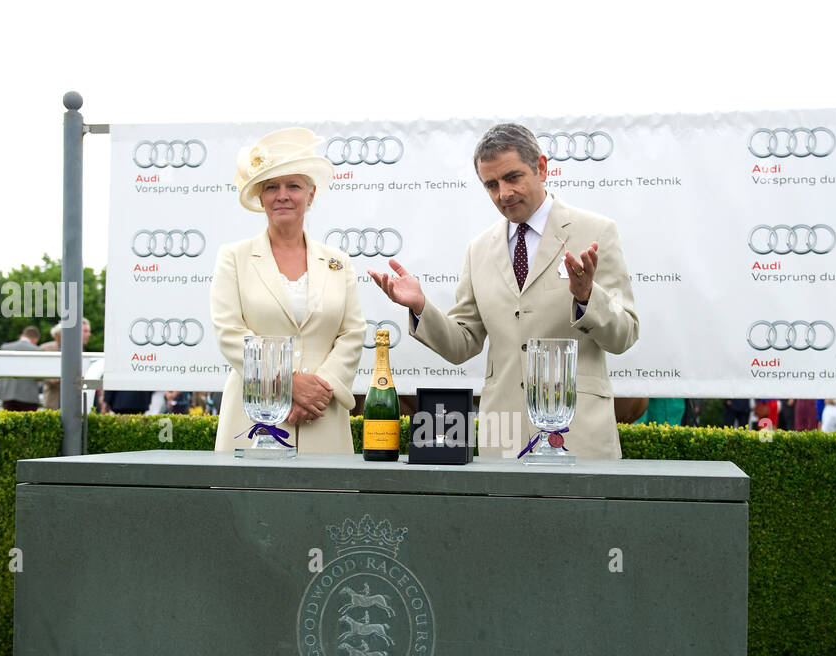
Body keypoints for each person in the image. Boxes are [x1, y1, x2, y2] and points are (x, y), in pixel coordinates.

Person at [369, 123, 639, 458]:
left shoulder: (596, 231)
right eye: (491, 184)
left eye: (513, 177)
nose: (504, 193)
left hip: (579, 433)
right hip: (503, 434)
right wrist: (421, 306)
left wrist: (587, 298)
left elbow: (624, 335)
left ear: (541, 168)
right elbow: (462, 344)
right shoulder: (479, 249)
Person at [210, 128, 364, 454]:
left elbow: (352, 333)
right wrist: (290, 386)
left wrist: (319, 391)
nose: (283, 195)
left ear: (310, 194)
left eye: (293, 185)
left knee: (325, 504)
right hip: (253, 419)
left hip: (321, 414)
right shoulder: (233, 258)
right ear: (260, 196)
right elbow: (229, 333)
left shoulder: (339, 262)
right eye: (272, 187)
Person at [40, 319, 92, 411]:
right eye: (85, 331)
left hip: (74, 401)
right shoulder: (47, 348)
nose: (89, 335)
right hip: (53, 400)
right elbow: (39, 371)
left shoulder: (81, 351)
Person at [0, 325, 42, 411]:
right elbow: (40, 375)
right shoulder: (36, 350)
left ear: (22, 335)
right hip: (28, 395)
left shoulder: (5, 348)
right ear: (35, 339)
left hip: (7, 394)